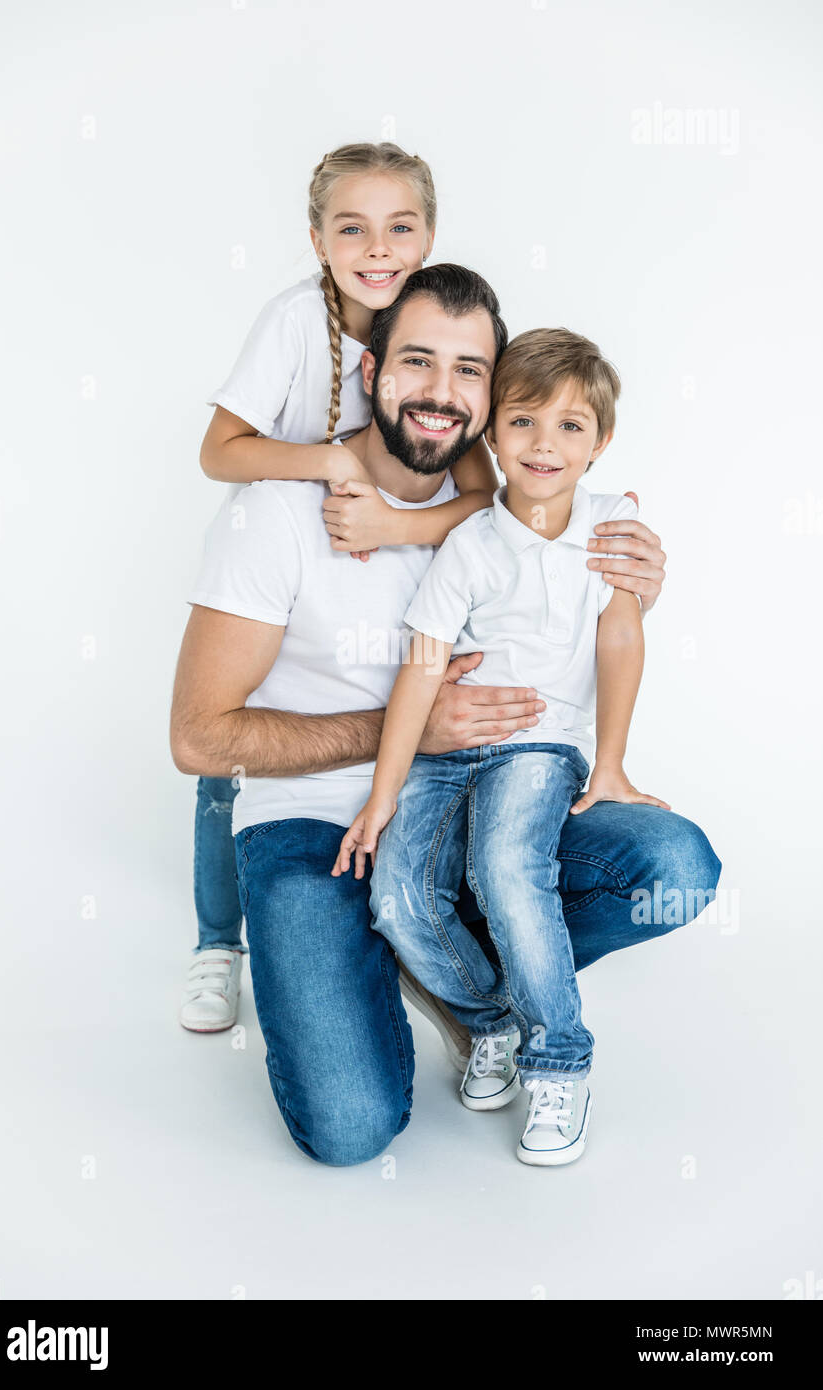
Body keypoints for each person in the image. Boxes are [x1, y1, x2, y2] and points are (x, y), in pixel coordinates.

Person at [170, 264, 720, 1167]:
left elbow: (567, 610)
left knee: (676, 865)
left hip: (488, 798)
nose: (440, 392)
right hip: (319, 826)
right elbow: (198, 737)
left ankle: (464, 985)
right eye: (417, 362)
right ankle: (397, 948)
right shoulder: (274, 515)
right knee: (349, 1130)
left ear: (494, 396)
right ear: (373, 369)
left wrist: (628, 594)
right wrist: (403, 728)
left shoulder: (504, 518)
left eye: (469, 370)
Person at [333, 326, 692, 1166]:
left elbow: (620, 640)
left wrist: (609, 764)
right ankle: (489, 1017)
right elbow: (422, 672)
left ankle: (558, 1056)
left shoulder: (613, 526)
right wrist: (383, 794)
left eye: (571, 427)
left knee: (503, 868)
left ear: (601, 444)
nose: (545, 444)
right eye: (524, 422)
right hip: (441, 755)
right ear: (491, 433)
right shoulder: (469, 545)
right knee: (398, 899)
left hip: (538, 745)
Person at [181, 143, 497, 1033]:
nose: (378, 248)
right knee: (223, 766)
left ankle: (424, 955)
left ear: (429, 233)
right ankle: (216, 942)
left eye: (401, 227)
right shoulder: (296, 323)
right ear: (316, 238)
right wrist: (320, 464)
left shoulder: (435, 323)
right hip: (274, 556)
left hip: (366, 555)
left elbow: (479, 497)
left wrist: (396, 527)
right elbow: (218, 451)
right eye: (351, 228)